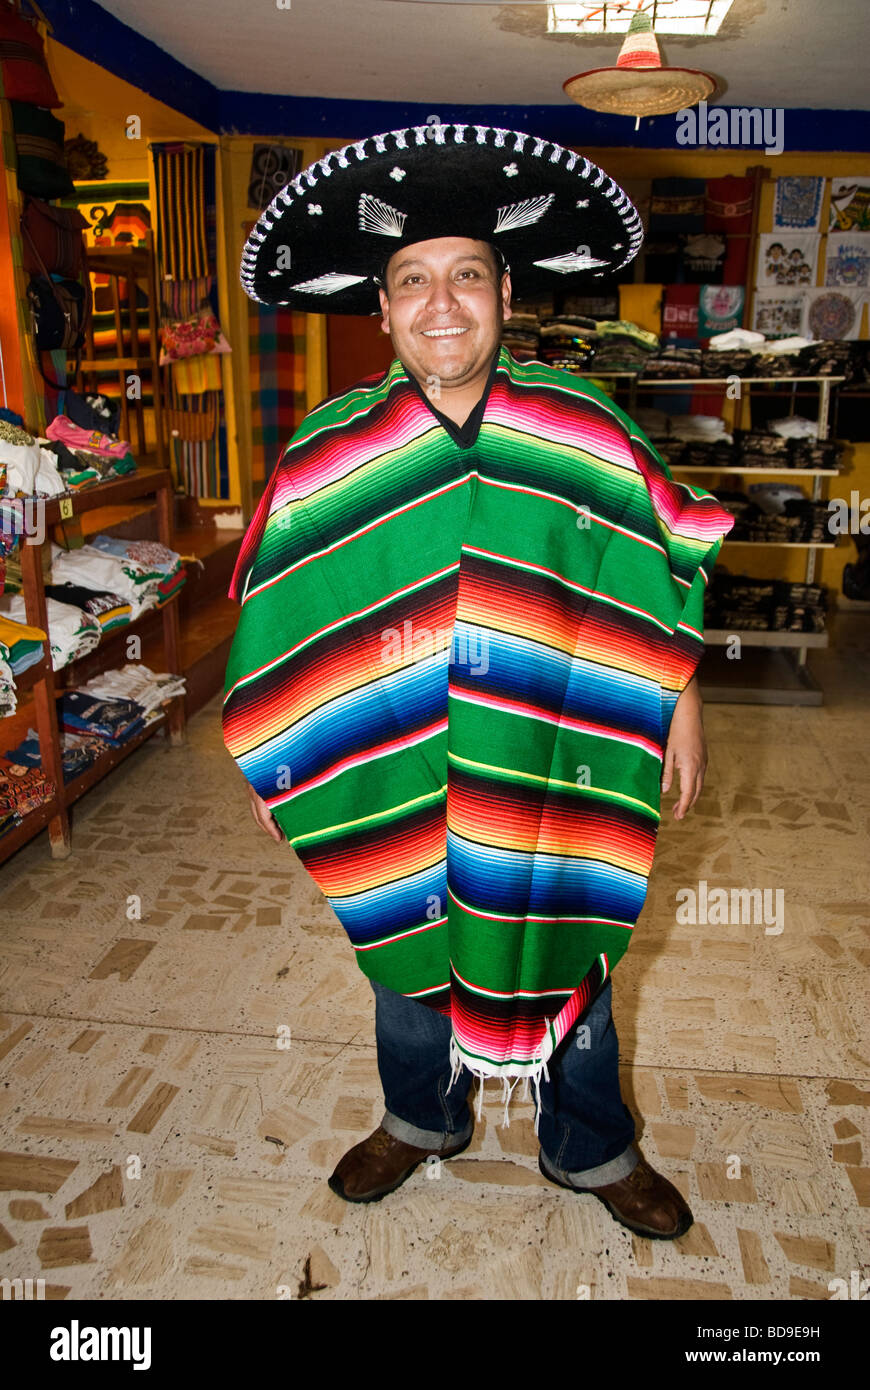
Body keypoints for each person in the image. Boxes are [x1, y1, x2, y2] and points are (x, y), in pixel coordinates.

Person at [223, 124, 734, 1241]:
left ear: (506, 290)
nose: (440, 304)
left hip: (553, 759)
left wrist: (680, 708)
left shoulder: (579, 425)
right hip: (392, 766)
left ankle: (589, 1143)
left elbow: (651, 575)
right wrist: (292, 759)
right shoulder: (324, 456)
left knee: (571, 951)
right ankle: (422, 1116)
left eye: (466, 275)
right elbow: (284, 627)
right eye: (412, 280)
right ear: (383, 306)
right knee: (405, 955)